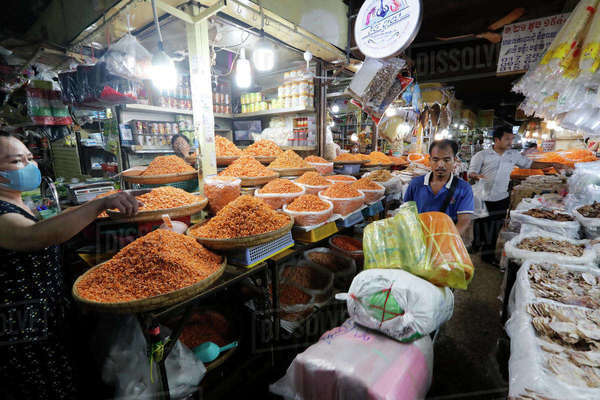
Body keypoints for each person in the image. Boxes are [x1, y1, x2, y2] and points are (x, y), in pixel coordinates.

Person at [0, 132, 145, 399]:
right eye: (16, 161)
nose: (30, 166)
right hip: (23, 330)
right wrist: (99, 203)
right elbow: (33, 236)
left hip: (51, 317)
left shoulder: (21, 201)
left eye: (30, 158)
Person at [468, 128, 563, 263]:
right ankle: (476, 245)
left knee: (495, 227)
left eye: (512, 139)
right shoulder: (481, 155)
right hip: (481, 196)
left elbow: (530, 164)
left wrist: (552, 164)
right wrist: (476, 175)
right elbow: (471, 172)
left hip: (501, 197)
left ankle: (487, 256)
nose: (511, 142)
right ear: (497, 140)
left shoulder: (513, 155)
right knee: (480, 223)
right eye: (507, 139)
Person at [404, 139, 474, 236]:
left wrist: (446, 243)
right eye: (435, 160)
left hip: (447, 241)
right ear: (430, 160)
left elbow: (464, 221)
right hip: (419, 240)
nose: (440, 165)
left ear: (455, 160)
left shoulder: (464, 188)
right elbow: (407, 213)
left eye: (446, 160)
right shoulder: (415, 184)